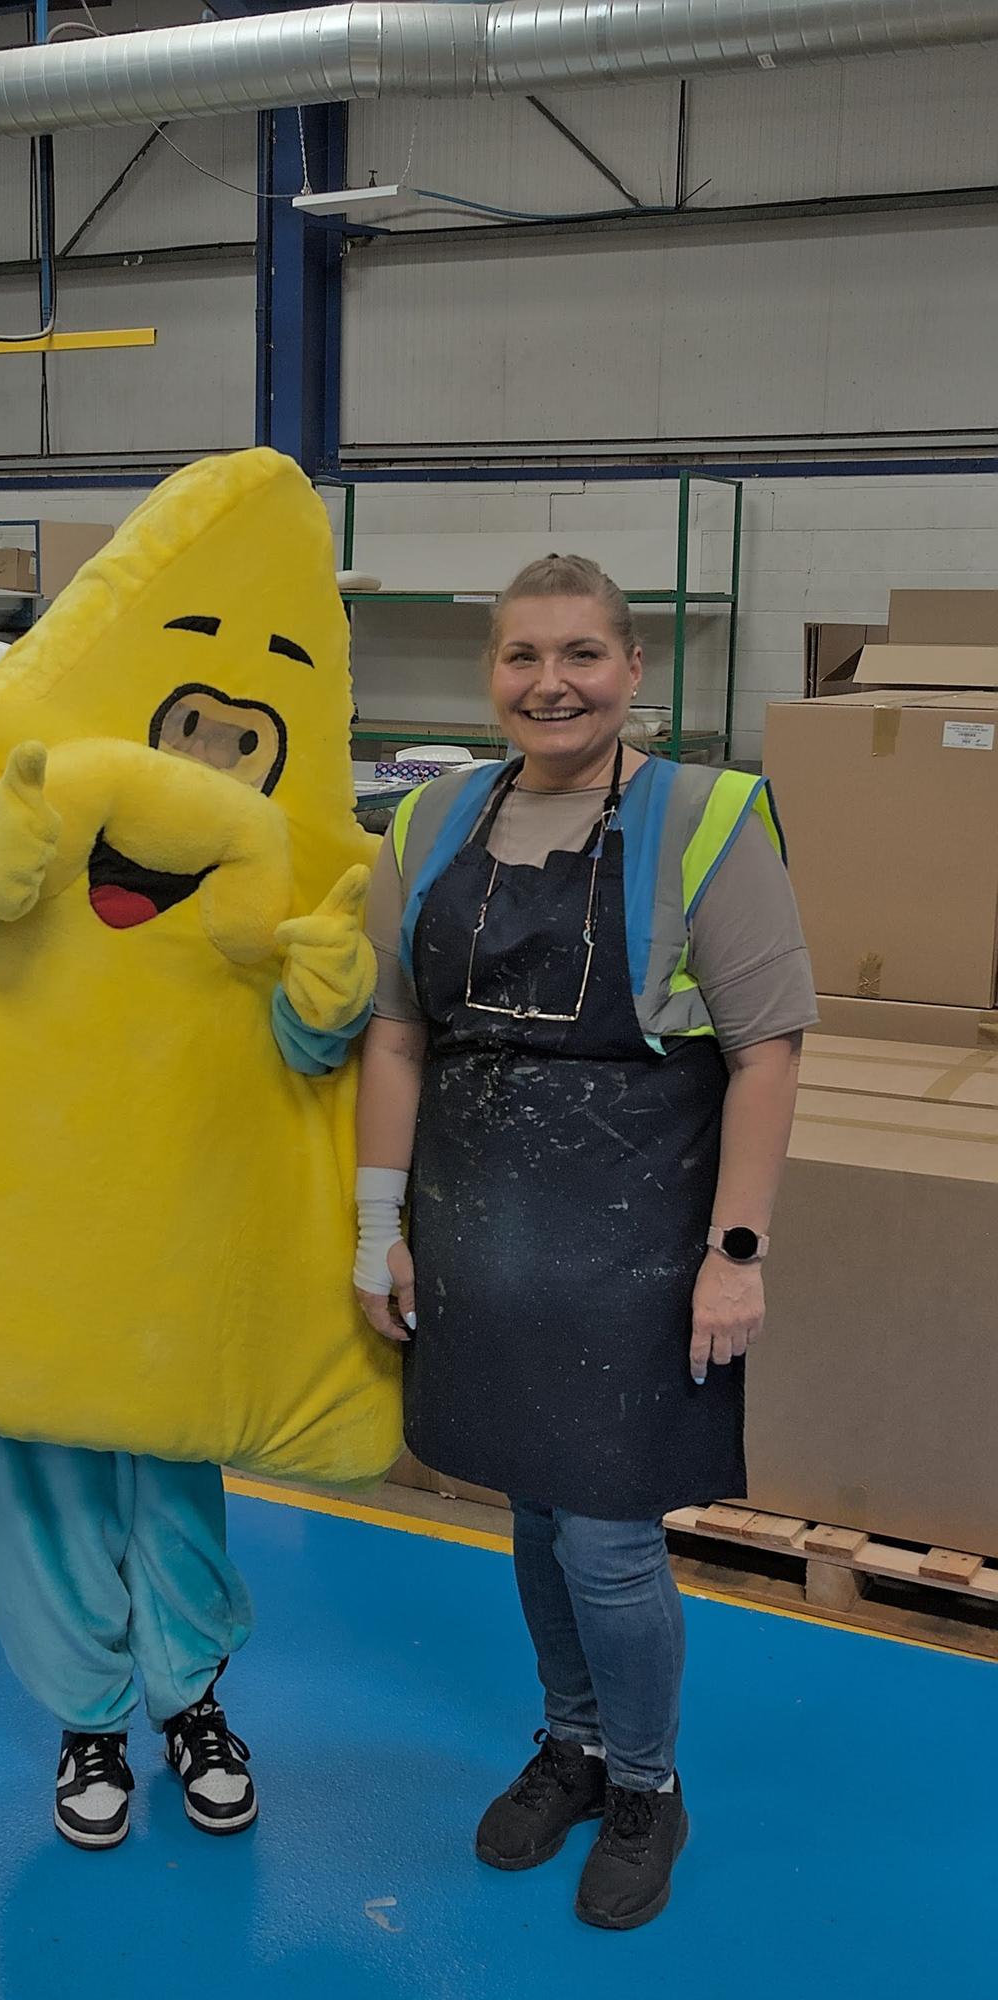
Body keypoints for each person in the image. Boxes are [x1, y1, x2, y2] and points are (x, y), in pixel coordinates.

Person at [355, 555, 816, 1931]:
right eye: (521, 658)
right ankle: (570, 1745)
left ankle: (647, 1785)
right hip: (481, 1233)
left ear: (633, 676)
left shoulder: (707, 816)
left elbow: (769, 1052)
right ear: (491, 677)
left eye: (581, 656)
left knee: (610, 1540)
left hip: (640, 1235)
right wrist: (381, 1225)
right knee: (536, 1511)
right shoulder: (426, 824)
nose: (550, 682)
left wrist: (737, 1250)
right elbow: (394, 1036)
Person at [0, 742, 375, 1850]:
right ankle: (87, 1720)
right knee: (43, 1488)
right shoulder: (32, 799)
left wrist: (325, 1001)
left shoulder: (242, 871)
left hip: (173, 1238)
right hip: (24, 1232)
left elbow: (298, 1058)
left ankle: (189, 1701)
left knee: (174, 1479)